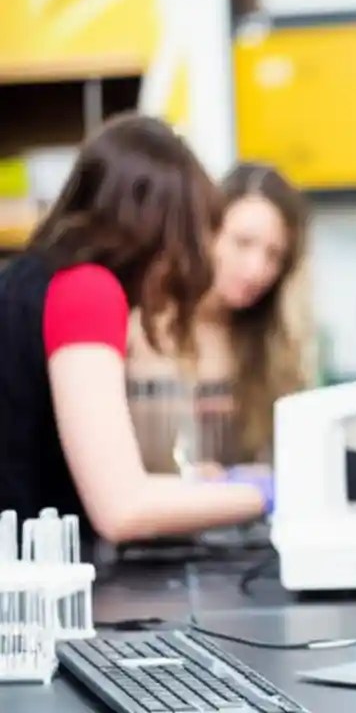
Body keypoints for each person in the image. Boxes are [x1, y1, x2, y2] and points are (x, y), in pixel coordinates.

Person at [0, 114, 271, 544]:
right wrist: (270, 494)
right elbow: (123, 509)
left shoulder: (25, 280)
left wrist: (216, 487)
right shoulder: (88, 291)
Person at [127, 162, 314, 472]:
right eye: (243, 243)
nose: (257, 270)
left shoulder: (270, 348)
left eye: (274, 255)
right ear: (206, 231)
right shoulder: (137, 324)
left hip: (240, 518)